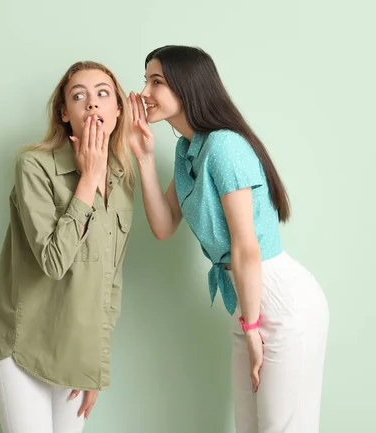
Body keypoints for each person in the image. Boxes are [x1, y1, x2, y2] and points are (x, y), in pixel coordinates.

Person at [128, 45, 329, 433]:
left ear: (187, 87)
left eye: (157, 81)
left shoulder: (223, 145)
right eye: (145, 80)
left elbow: (246, 246)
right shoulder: (190, 150)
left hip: (279, 299)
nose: (144, 93)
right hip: (247, 299)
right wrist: (144, 157)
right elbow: (164, 226)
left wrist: (253, 328)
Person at [0, 61, 135, 433]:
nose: (92, 105)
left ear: (118, 109)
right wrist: (88, 179)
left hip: (76, 352)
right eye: (79, 96)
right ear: (64, 113)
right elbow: (53, 261)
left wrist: (94, 364)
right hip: (24, 346)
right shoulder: (33, 166)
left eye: (103, 94)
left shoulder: (122, 181)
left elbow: (110, 281)